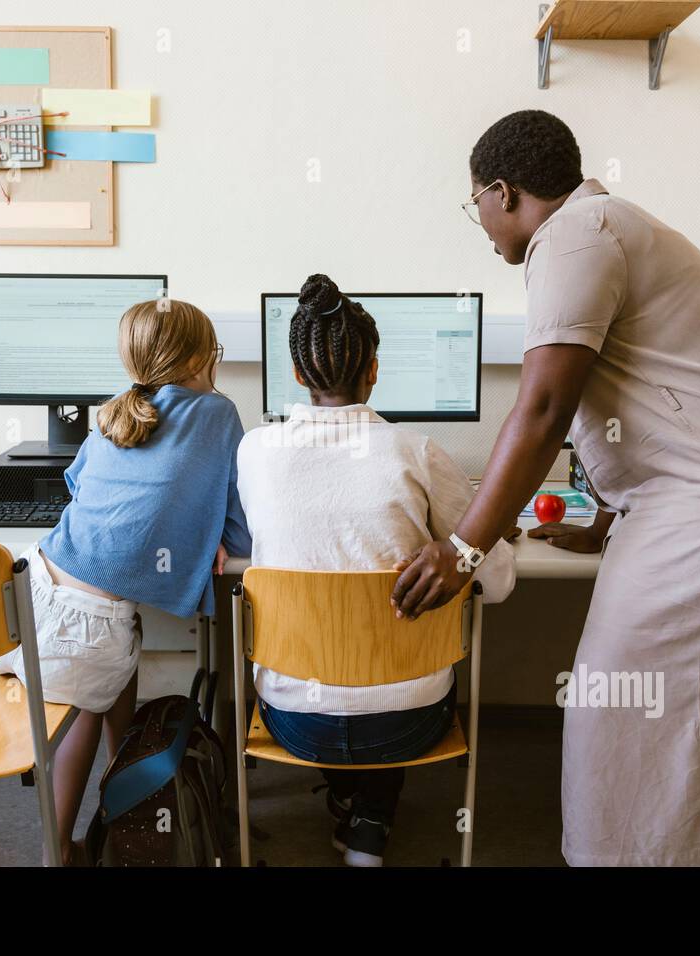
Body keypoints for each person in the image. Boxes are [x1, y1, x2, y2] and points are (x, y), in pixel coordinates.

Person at [392, 110, 700, 865]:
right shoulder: (613, 226)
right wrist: (605, 520)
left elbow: (543, 409)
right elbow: (641, 392)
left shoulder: (573, 234)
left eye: (478, 206)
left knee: (618, 703)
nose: (483, 226)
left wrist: (464, 548)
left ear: (503, 192)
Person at [236, 273, 515, 866]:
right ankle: (370, 822)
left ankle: (349, 800)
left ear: (295, 373)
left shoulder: (256, 451)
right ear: (375, 371)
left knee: (344, 661)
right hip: (406, 726)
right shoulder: (417, 452)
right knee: (395, 657)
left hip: (293, 723)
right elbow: (498, 580)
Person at [0, 299, 251, 865]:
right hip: (86, 622)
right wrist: (213, 535)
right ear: (202, 360)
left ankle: (123, 803)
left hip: (31, 587)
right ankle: (55, 848)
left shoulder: (115, 412)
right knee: (88, 706)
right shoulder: (219, 413)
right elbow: (240, 518)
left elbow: (78, 484)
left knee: (118, 666)